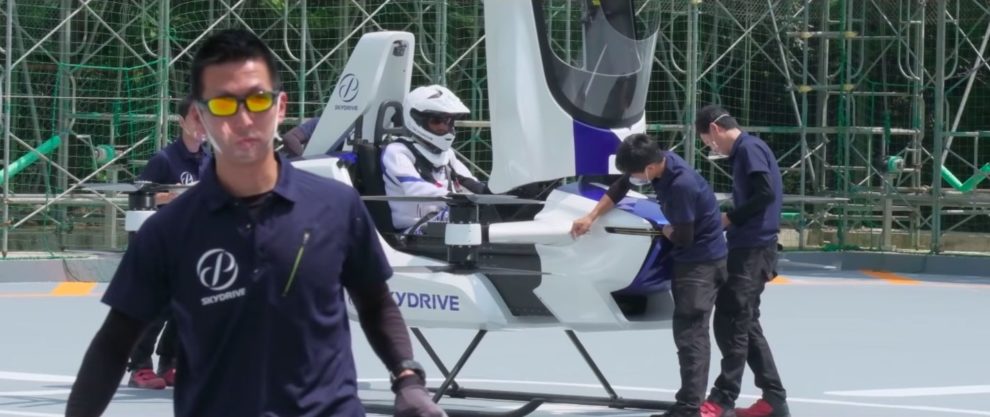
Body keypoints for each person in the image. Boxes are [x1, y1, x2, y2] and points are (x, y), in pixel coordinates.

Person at [65, 29, 446, 417]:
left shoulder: (337, 205)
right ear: (199, 116)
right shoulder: (168, 232)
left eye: (258, 100)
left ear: (280, 107)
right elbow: (113, 345)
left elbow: (376, 303)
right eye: (224, 105)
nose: (244, 119)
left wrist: (408, 380)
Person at [571, 133, 728, 417]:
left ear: (649, 168)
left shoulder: (681, 185)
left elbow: (683, 237)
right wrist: (591, 216)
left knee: (691, 333)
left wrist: (663, 229)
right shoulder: (660, 162)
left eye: (635, 174)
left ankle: (689, 407)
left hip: (700, 263)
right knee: (694, 332)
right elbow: (620, 187)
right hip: (701, 257)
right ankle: (693, 402)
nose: (634, 179)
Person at [696, 105, 790, 417]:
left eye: (708, 142)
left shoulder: (748, 149)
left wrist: (730, 218)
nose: (713, 149)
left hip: (753, 248)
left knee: (732, 319)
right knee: (745, 321)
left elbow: (765, 193)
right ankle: (774, 398)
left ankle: (723, 398)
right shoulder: (750, 150)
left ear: (715, 129)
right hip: (751, 246)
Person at [123, 95, 208, 390]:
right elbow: (140, 196)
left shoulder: (210, 160)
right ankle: (139, 365)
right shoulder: (165, 159)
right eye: (196, 117)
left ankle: (170, 361)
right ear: (182, 121)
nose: (203, 124)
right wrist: (172, 196)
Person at [381, 84, 488, 232]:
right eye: (437, 121)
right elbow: (416, 189)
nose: (445, 128)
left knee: (492, 213)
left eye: (449, 121)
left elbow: (469, 182)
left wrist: (490, 194)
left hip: (446, 219)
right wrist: (457, 200)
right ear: (417, 120)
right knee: (468, 216)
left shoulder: (447, 154)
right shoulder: (397, 151)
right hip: (411, 230)